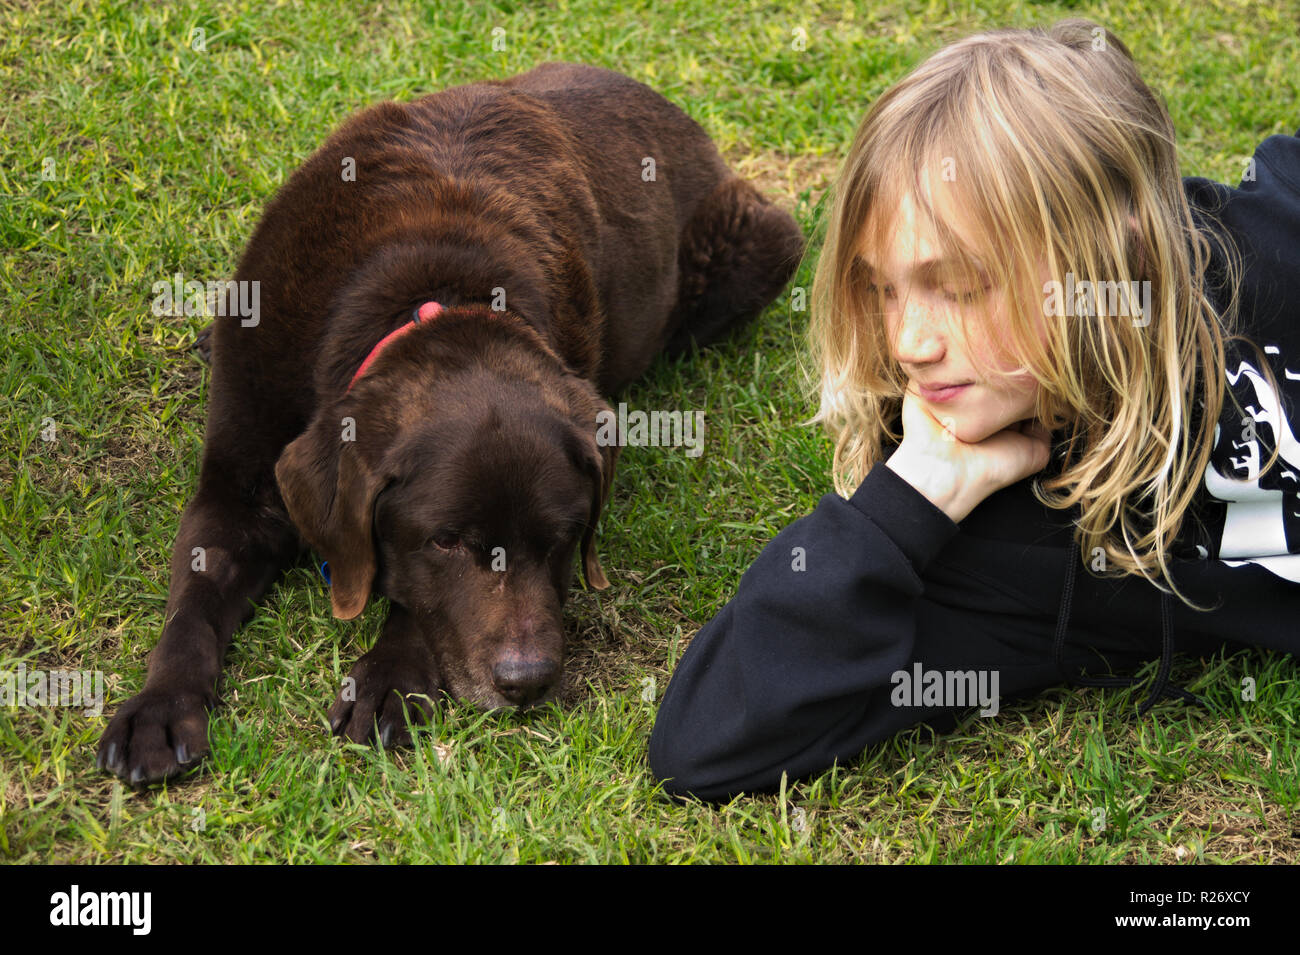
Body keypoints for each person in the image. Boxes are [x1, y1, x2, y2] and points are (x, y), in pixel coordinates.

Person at [648, 19, 1300, 801]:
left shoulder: (1278, 232)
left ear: (1117, 252)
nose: (908, 342)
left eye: (958, 286)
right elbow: (703, 742)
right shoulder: (1014, 549)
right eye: (882, 288)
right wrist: (907, 502)